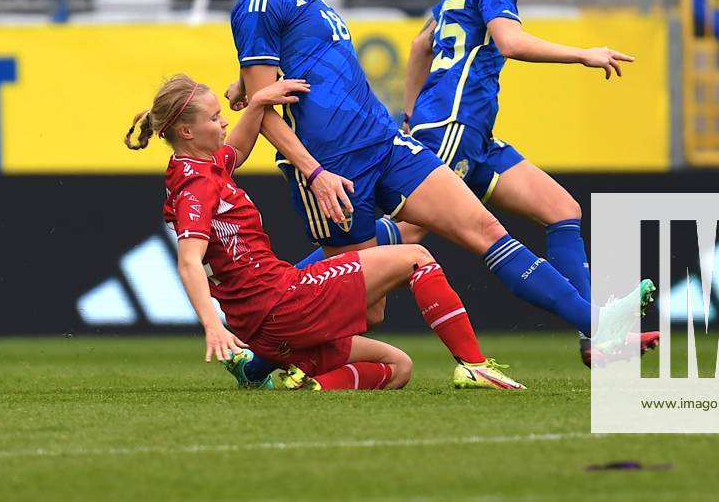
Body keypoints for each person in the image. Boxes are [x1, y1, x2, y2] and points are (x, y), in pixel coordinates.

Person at [224, 0, 656, 382]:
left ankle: (598, 331)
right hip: (333, 169)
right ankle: (258, 354)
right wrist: (313, 171)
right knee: (367, 311)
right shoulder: (257, 5)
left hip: (386, 144)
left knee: (486, 230)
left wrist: (249, 76)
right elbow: (265, 110)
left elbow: (305, 61)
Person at [124, 74, 526, 391]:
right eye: (214, 118)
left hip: (266, 330)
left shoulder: (199, 167)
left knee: (398, 367)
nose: (224, 121)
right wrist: (213, 325)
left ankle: (304, 382)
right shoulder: (197, 186)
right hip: (283, 304)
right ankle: (475, 367)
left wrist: (260, 101)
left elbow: (239, 150)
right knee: (417, 260)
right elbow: (189, 261)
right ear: (188, 132)